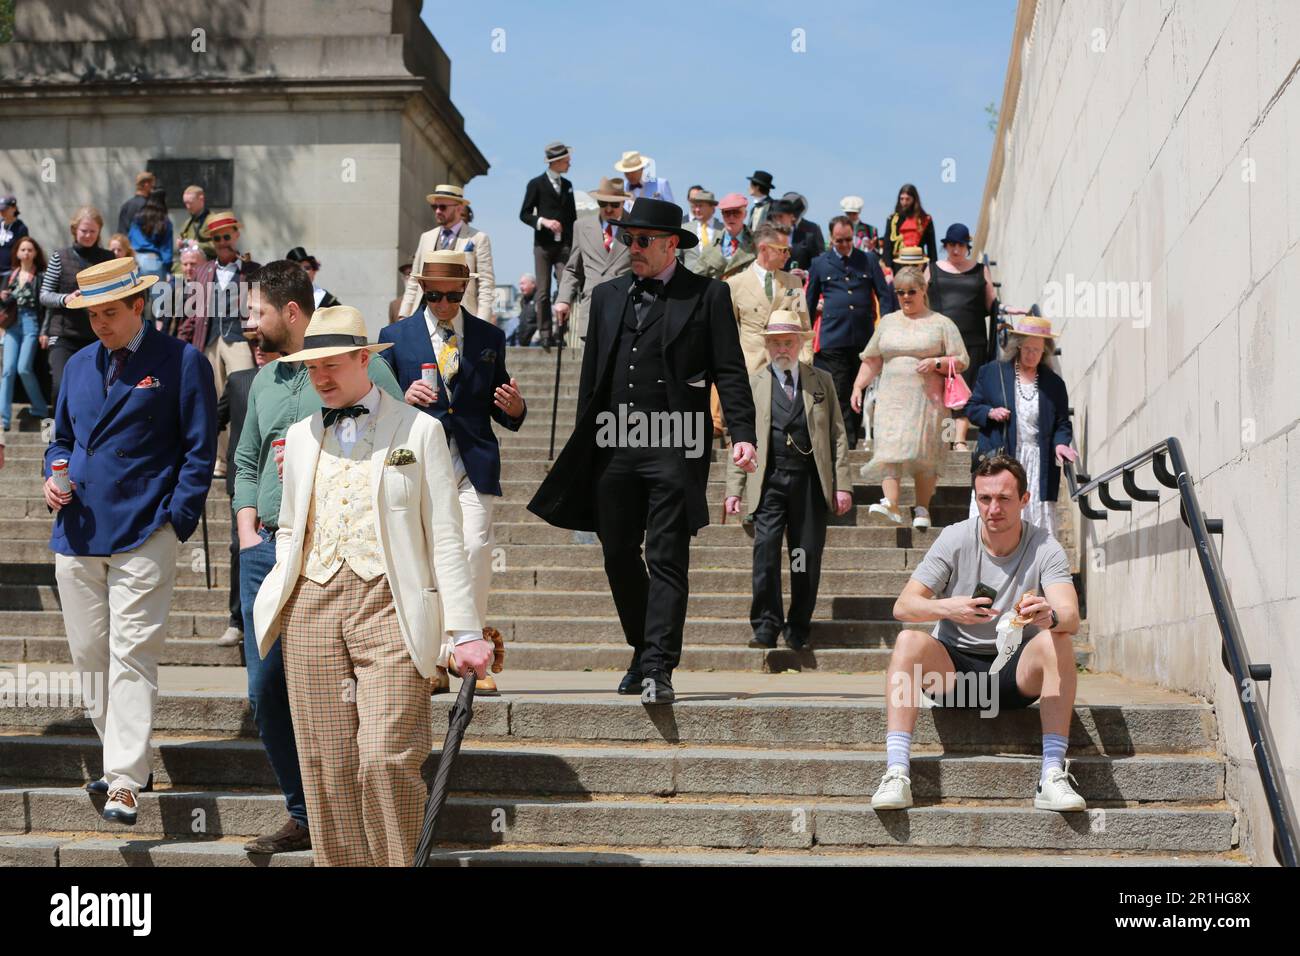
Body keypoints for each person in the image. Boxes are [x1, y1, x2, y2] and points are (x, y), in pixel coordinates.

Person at [252, 305, 489, 866]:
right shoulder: (303, 434)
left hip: (391, 606)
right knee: (326, 766)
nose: (322, 379)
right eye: (312, 369)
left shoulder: (421, 429)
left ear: (365, 359)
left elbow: (447, 538)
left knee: (385, 756)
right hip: (311, 606)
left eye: (332, 365)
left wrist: (465, 628)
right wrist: (288, 578)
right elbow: (290, 525)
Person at [528, 198, 758, 704]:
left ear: (672, 244)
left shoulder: (708, 295)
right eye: (628, 239)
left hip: (677, 441)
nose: (632, 248)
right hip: (614, 441)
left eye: (643, 241)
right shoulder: (607, 296)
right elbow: (593, 378)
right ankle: (640, 648)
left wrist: (742, 433)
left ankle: (658, 666)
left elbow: (731, 370)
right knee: (617, 554)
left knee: (668, 554)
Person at [234, 260, 403, 854]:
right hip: (268, 550)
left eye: (259, 312)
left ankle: (358, 812)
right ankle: (305, 812)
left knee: (341, 689)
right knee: (266, 688)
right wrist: (246, 526)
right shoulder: (260, 381)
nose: (250, 323)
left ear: (293, 312)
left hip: (339, 551)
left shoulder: (364, 362)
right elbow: (246, 461)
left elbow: (397, 434)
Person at [43, 257, 217, 824]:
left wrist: (176, 517)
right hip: (77, 528)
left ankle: (122, 779)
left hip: (146, 529)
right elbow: (61, 435)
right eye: (92, 314)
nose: (100, 323)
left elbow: (199, 448)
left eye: (110, 313)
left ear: (139, 305)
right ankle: (128, 757)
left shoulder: (183, 360)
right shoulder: (77, 366)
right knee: (90, 656)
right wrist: (55, 468)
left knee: (131, 654)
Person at [870, 454, 1084, 813]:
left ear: (1025, 500)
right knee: (908, 640)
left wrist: (1049, 616)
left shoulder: (1045, 546)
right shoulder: (955, 538)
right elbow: (903, 606)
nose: (993, 508)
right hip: (954, 675)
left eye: (1004, 498)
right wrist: (947, 607)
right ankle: (896, 772)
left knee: (1056, 638)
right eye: (984, 499)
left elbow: (1072, 616)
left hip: (1016, 674)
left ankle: (1051, 775)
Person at [379, 250, 527, 695]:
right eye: (436, 295)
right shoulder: (394, 337)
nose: (444, 304)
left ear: (466, 291)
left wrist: (517, 409)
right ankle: (431, 660)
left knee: (475, 548)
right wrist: (402, 396)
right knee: (423, 560)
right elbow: (375, 405)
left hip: (472, 461)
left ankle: (468, 652)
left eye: (454, 295)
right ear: (423, 290)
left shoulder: (488, 336)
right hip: (418, 462)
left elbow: (502, 402)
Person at [724, 312, 852, 650]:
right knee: (765, 552)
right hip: (768, 481)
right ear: (767, 345)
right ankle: (766, 625)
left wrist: (843, 485)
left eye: (788, 341)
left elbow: (838, 434)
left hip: (809, 481)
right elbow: (740, 439)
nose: (783, 348)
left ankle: (798, 626)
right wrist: (733, 489)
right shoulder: (753, 383)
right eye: (776, 342)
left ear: (800, 344)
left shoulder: (820, 380)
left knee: (803, 555)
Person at [849, 266, 967, 530]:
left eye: (911, 291)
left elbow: (961, 360)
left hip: (928, 400)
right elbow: (872, 358)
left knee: (924, 453)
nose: (905, 297)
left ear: (923, 291)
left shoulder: (941, 323)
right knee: (889, 447)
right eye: (900, 292)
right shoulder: (888, 322)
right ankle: (890, 502)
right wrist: (858, 386)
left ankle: (922, 506)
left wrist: (936, 362)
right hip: (891, 397)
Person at [964, 316, 1075, 539]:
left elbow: (1062, 423)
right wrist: (989, 412)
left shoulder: (1054, 384)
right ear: (1017, 346)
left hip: (1038, 462)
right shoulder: (992, 373)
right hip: (1003, 457)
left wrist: (1061, 444)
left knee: (1033, 523)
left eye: (1037, 349)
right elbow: (971, 408)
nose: (1031, 354)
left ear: (1045, 350)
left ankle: (1034, 571)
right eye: (1027, 348)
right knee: (996, 516)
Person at [175, 210, 262, 480]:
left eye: (227, 235)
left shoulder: (253, 270)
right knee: (214, 402)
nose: (223, 241)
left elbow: (261, 310)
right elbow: (192, 313)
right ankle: (220, 460)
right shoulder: (202, 271)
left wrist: (262, 346)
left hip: (240, 341)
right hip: (209, 342)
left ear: (236, 235)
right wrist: (180, 345)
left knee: (244, 398)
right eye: (217, 237)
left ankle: (246, 459)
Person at [806, 216, 896, 449]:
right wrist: (805, 333)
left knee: (861, 387)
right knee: (840, 389)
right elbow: (809, 300)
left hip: (863, 338)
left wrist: (885, 323)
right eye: (839, 241)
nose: (845, 245)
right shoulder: (819, 263)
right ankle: (846, 441)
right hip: (833, 338)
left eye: (848, 240)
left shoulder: (868, 260)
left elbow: (884, 295)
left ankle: (854, 436)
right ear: (831, 239)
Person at [215, 343, 279, 648]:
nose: (260, 351)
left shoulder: (291, 381)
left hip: (279, 480)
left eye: (267, 346)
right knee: (239, 546)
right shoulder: (240, 380)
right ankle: (237, 620)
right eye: (256, 346)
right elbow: (215, 419)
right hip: (244, 479)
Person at [929, 223, 997, 452]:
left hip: (972, 341)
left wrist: (1007, 310)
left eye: (959, 245)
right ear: (945, 246)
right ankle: (946, 438)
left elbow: (992, 303)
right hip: (940, 342)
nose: (955, 249)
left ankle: (959, 439)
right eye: (951, 245)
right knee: (943, 394)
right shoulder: (932, 269)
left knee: (964, 393)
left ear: (967, 246)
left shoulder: (980, 270)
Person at [38, 205, 115, 402]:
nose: (88, 235)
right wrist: (66, 299)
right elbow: (44, 295)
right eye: (84, 231)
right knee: (60, 388)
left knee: (96, 391)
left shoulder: (108, 258)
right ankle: (61, 432)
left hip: (98, 335)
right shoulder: (59, 257)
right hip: (64, 336)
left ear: (99, 232)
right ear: (74, 230)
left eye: (92, 231)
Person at [724, 222, 811, 374]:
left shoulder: (794, 282)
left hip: (788, 368)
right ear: (763, 248)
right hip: (751, 370)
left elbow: (804, 326)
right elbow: (725, 334)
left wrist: (805, 360)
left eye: (788, 250)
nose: (788, 255)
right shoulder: (735, 284)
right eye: (783, 250)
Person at [400, 184, 495, 322]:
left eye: (442, 207)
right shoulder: (426, 237)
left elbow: (486, 283)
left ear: (459, 208)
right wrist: (404, 314)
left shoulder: (478, 238)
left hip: (462, 314)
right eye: (435, 207)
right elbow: (414, 280)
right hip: (425, 312)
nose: (437, 211)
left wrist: (482, 320)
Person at [555, 177, 633, 342]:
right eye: (603, 204)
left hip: (626, 310)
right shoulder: (581, 226)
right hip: (591, 310)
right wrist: (563, 299)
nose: (608, 209)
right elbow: (573, 269)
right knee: (590, 367)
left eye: (614, 204)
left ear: (623, 203)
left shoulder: (636, 227)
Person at [518, 142, 577, 351]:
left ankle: (561, 332)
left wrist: (572, 243)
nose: (570, 163)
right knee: (543, 291)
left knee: (565, 288)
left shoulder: (568, 185)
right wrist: (544, 222)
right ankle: (545, 334)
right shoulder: (536, 184)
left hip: (563, 247)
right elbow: (524, 214)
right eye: (567, 160)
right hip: (542, 245)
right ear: (557, 162)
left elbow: (572, 218)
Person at [1, 236, 52, 428]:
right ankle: (3, 419)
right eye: (23, 250)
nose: (26, 253)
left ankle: (39, 407)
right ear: (17, 253)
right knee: (7, 370)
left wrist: (45, 330)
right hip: (12, 324)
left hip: (31, 323)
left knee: (24, 368)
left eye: (30, 250)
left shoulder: (41, 276)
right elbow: (3, 305)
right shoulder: (10, 276)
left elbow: (46, 306)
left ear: (36, 253)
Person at [883, 183, 938, 273]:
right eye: (902, 199)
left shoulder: (925, 219)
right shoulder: (892, 219)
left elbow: (931, 247)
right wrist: (888, 267)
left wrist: (933, 270)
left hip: (919, 263)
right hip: (897, 264)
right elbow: (887, 245)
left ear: (914, 199)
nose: (904, 202)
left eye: (907, 199)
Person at [127, 190, 173, 280]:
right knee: (158, 293)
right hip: (156, 261)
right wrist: (168, 268)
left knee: (138, 293)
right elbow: (167, 249)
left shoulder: (138, 217)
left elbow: (133, 236)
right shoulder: (165, 221)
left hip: (137, 260)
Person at [175, 184, 215, 271]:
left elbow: (219, 246)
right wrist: (180, 244)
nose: (188, 206)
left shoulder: (213, 221)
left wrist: (198, 245)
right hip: (186, 269)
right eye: (185, 203)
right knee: (177, 277)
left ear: (201, 199)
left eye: (190, 203)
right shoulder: (187, 223)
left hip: (206, 270)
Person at [781, 192, 825, 271]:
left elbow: (820, 259)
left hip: (804, 281)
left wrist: (805, 274)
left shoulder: (812, 229)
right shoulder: (776, 228)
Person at [0, 195, 30, 284]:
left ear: (14, 209)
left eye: (5, 209)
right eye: (0, 209)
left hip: (10, 272)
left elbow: (24, 250)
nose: (2, 211)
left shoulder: (21, 228)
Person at [116, 171, 154, 235]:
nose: (152, 189)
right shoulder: (148, 206)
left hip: (127, 243)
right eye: (151, 185)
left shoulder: (126, 205)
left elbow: (121, 232)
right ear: (146, 185)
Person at [389, 257, 412, 326]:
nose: (409, 277)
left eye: (412, 273)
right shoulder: (394, 304)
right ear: (402, 277)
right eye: (407, 274)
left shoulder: (427, 300)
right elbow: (391, 330)